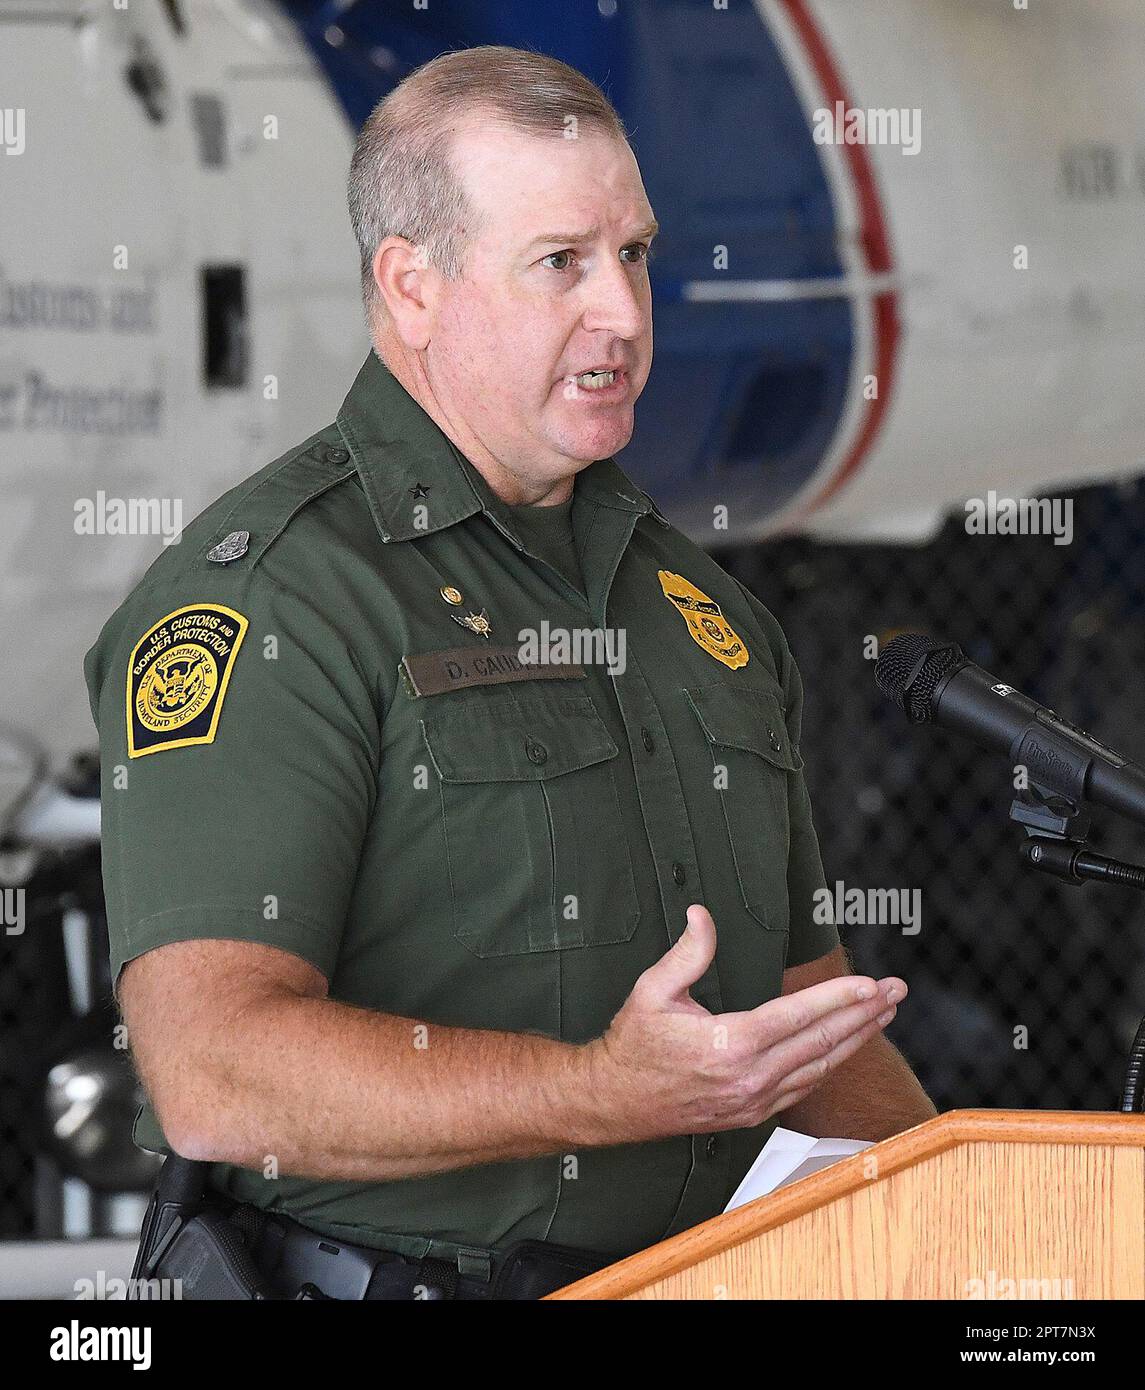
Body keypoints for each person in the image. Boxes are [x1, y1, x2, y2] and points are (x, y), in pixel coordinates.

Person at [84, 45, 935, 1300]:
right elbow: (217, 1072)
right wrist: (601, 1092)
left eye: (634, 253)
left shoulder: (705, 612)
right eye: (561, 263)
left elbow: (803, 1030)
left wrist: (983, 1219)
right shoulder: (268, 603)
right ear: (410, 285)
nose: (626, 315)